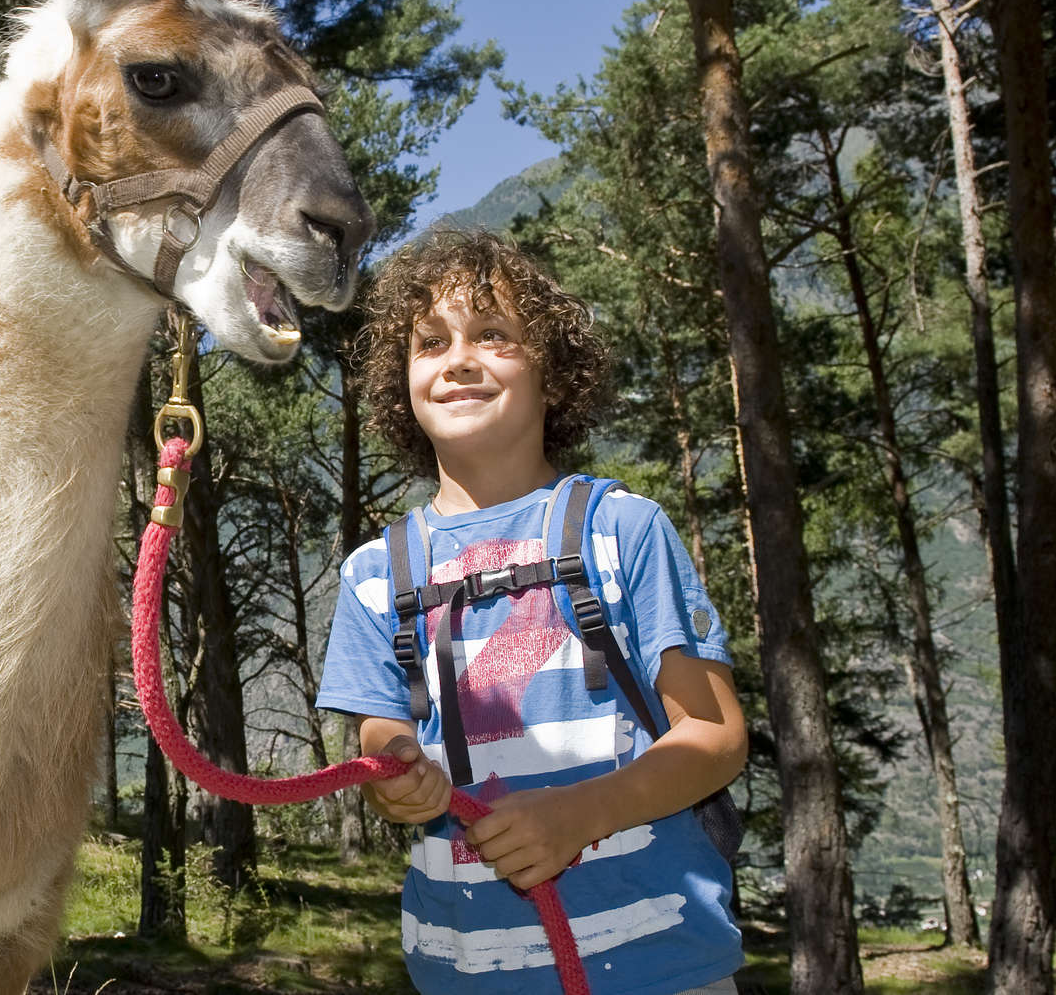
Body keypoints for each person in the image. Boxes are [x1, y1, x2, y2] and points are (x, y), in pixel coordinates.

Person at [316, 229, 747, 995]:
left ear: (554, 375)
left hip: (660, 967)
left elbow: (714, 737)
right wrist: (395, 775)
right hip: (460, 971)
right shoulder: (374, 575)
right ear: (401, 385)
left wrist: (579, 813)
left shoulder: (624, 530)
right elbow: (380, 732)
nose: (459, 358)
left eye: (494, 333)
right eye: (429, 342)